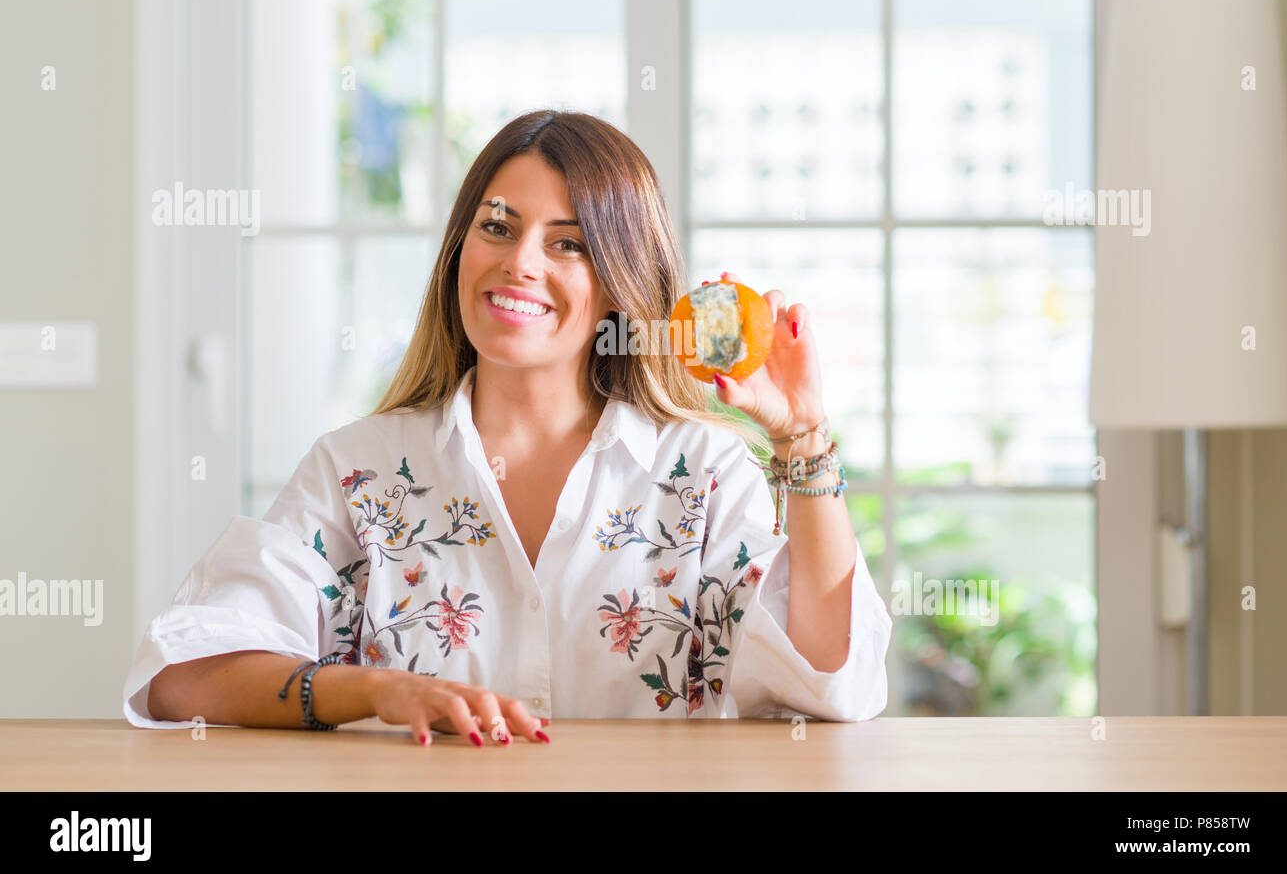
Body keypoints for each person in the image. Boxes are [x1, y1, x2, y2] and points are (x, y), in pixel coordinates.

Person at [123, 110, 892, 747]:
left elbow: (829, 678)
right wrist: (380, 690)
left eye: (568, 243)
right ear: (461, 248)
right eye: (498, 227)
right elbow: (186, 674)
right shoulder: (357, 469)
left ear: (622, 282)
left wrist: (802, 435)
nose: (520, 262)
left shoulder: (706, 470)